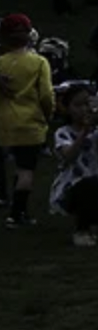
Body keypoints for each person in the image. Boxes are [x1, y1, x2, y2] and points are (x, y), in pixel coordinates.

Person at [49, 87, 98, 248]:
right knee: (88, 184)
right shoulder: (63, 133)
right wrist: (84, 132)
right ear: (68, 109)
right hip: (71, 188)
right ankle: (81, 230)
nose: (83, 110)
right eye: (77, 105)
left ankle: (87, 218)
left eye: (87, 104)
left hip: (97, 187)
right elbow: (68, 156)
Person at [0, 14, 55, 226]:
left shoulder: (1, 64)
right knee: (26, 170)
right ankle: (17, 212)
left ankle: (8, 199)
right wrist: (47, 115)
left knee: (12, 166)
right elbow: (46, 95)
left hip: (4, 122)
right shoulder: (39, 62)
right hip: (30, 122)